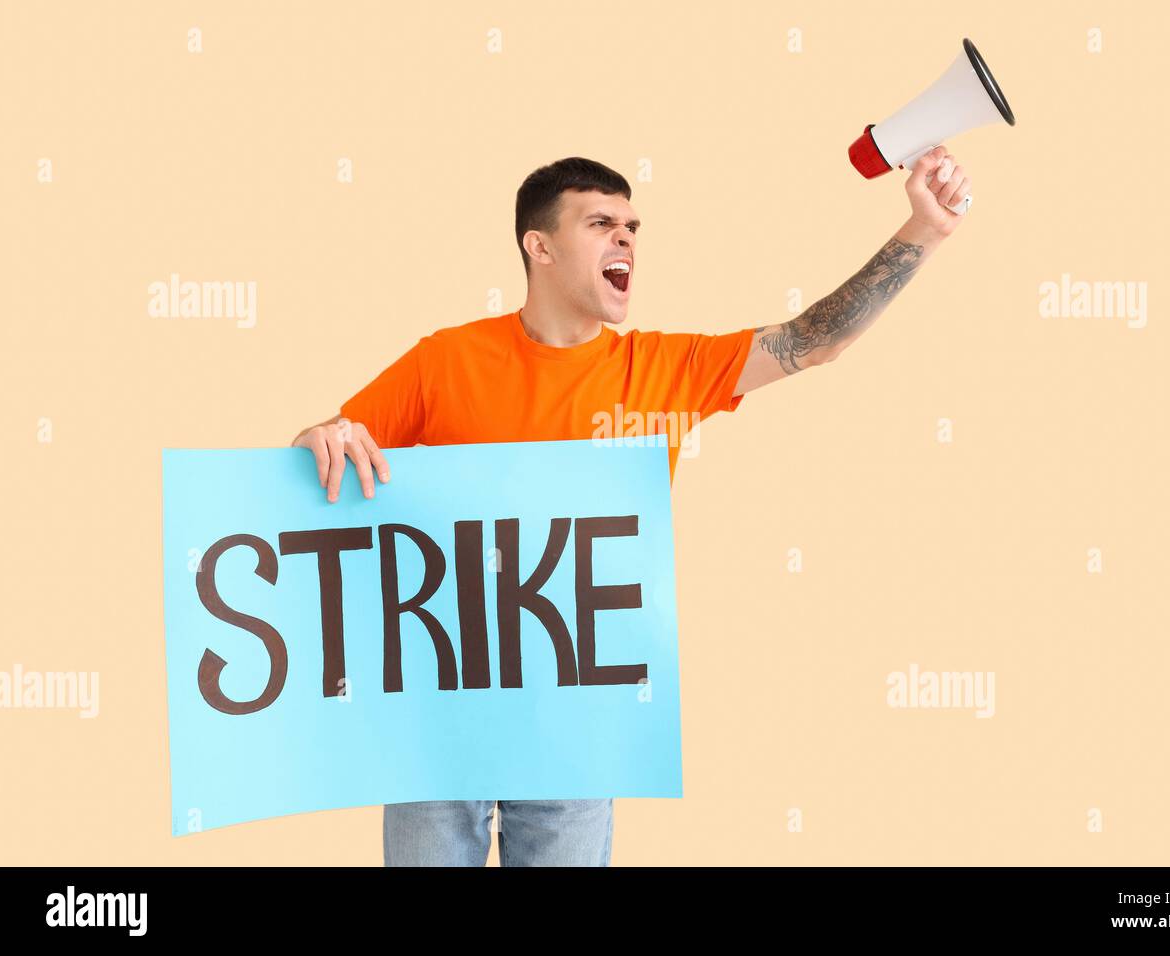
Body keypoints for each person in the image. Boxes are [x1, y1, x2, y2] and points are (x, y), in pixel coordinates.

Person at [291, 148, 971, 866]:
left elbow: (814, 340)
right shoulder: (444, 362)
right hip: (442, 711)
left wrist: (924, 229)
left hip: (578, 721)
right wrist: (319, 436)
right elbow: (326, 459)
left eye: (633, 227)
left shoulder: (664, 372)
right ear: (539, 245)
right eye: (602, 223)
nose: (627, 239)